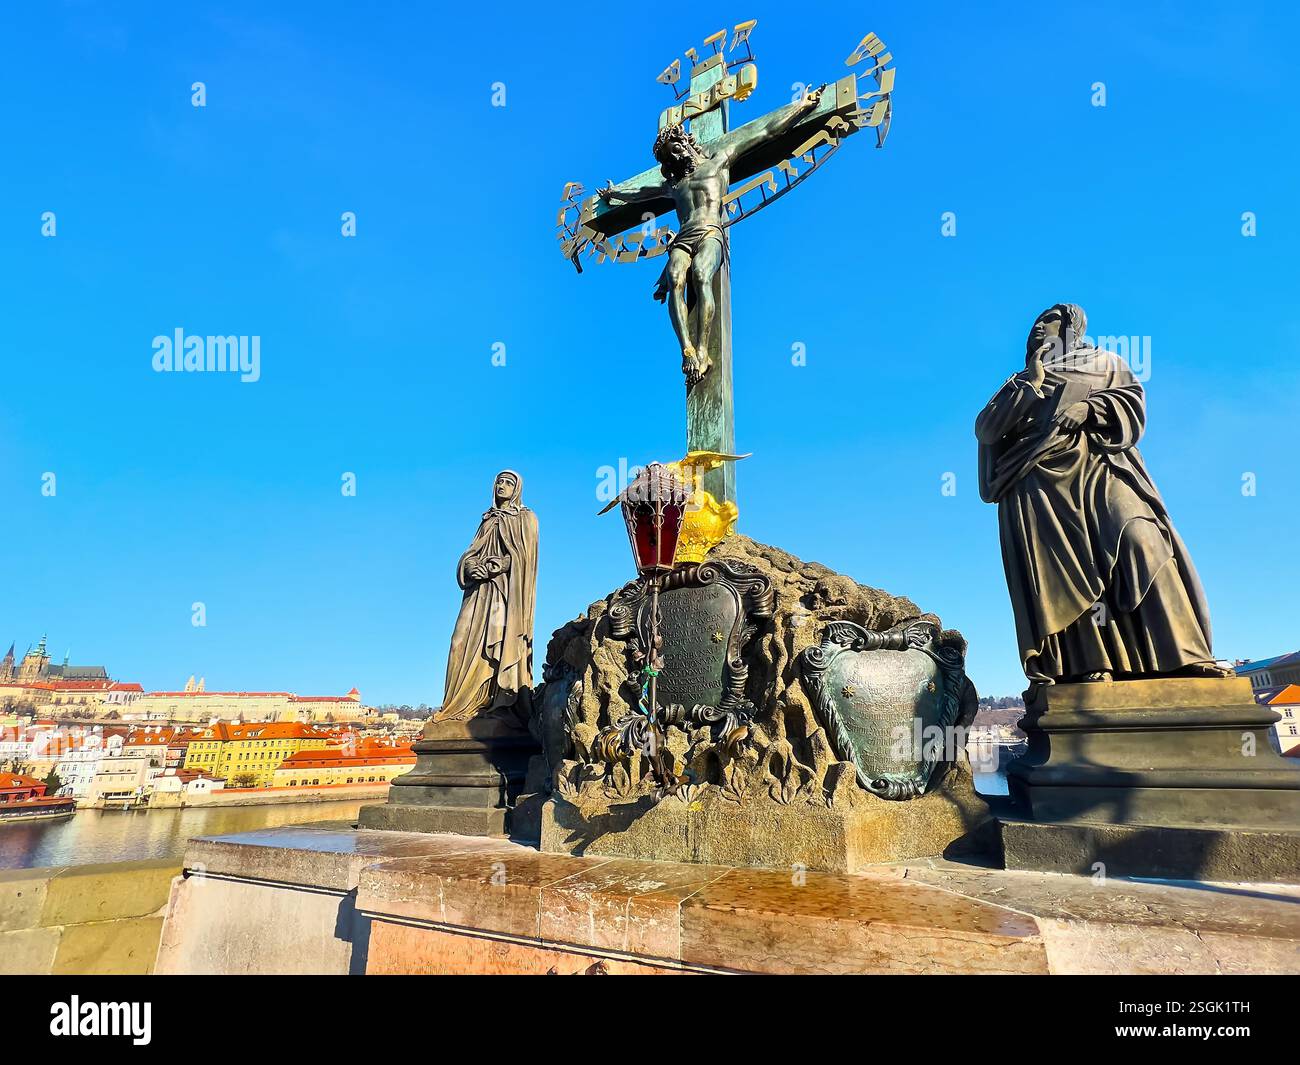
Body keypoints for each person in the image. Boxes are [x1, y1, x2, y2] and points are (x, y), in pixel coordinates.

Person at [975, 304, 1230, 686]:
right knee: (1066, 576)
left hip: (1102, 467)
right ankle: (1088, 663)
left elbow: (1131, 403)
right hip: (1039, 483)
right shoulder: (1020, 381)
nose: (1039, 326)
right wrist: (1032, 384)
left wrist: (1090, 408)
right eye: (1036, 322)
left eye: (1049, 320)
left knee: (1141, 540)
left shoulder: (1105, 363)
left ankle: (1184, 653)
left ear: (1072, 327)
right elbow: (986, 430)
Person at [435, 470, 539, 720]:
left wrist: (499, 565)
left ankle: (493, 702)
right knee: (459, 641)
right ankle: (457, 707)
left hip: (504, 593)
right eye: (499, 482)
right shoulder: (487, 520)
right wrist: (470, 566)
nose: (502, 486)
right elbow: (472, 552)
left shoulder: (526, 518)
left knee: (499, 640)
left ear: (517, 489)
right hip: (478, 591)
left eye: (508, 483)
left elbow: (526, 560)